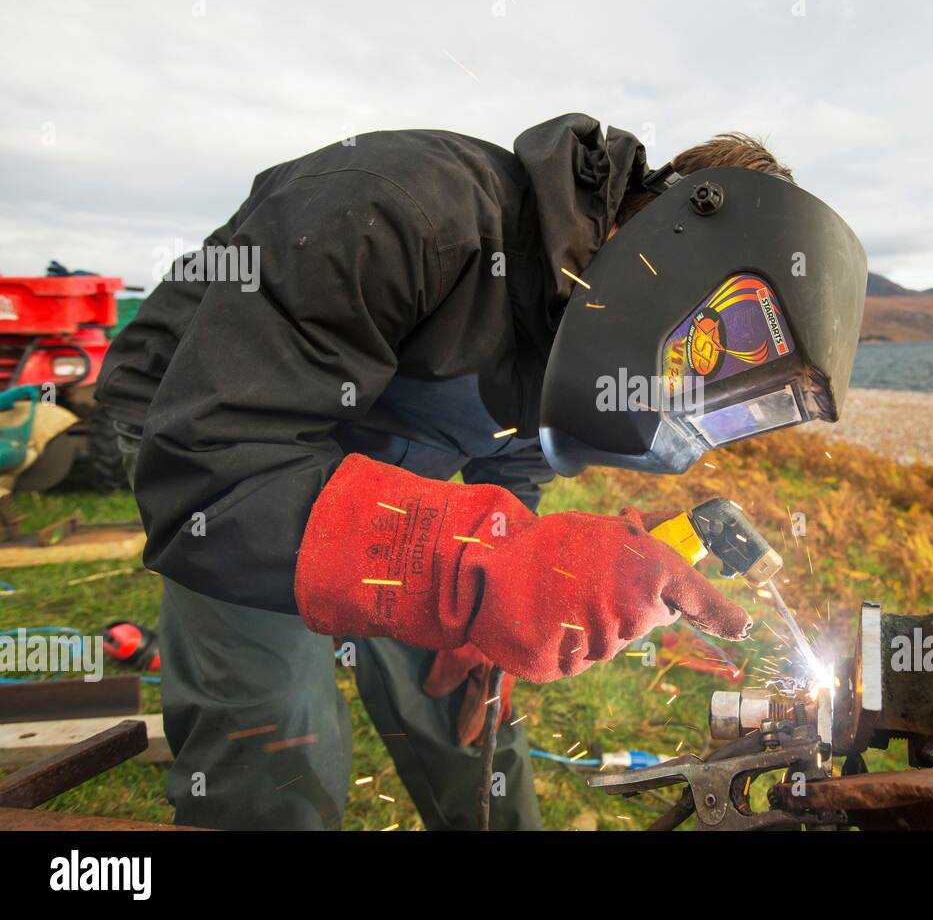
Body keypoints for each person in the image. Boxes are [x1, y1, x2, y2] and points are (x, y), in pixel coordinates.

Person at [96, 113, 866, 830]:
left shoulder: (585, 326)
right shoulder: (406, 208)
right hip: (224, 435)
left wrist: (505, 576)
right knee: (278, 734)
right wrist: (476, 568)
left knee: (468, 697)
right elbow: (214, 473)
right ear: (675, 242)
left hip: (384, 441)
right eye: (712, 342)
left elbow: (512, 470)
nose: (695, 375)